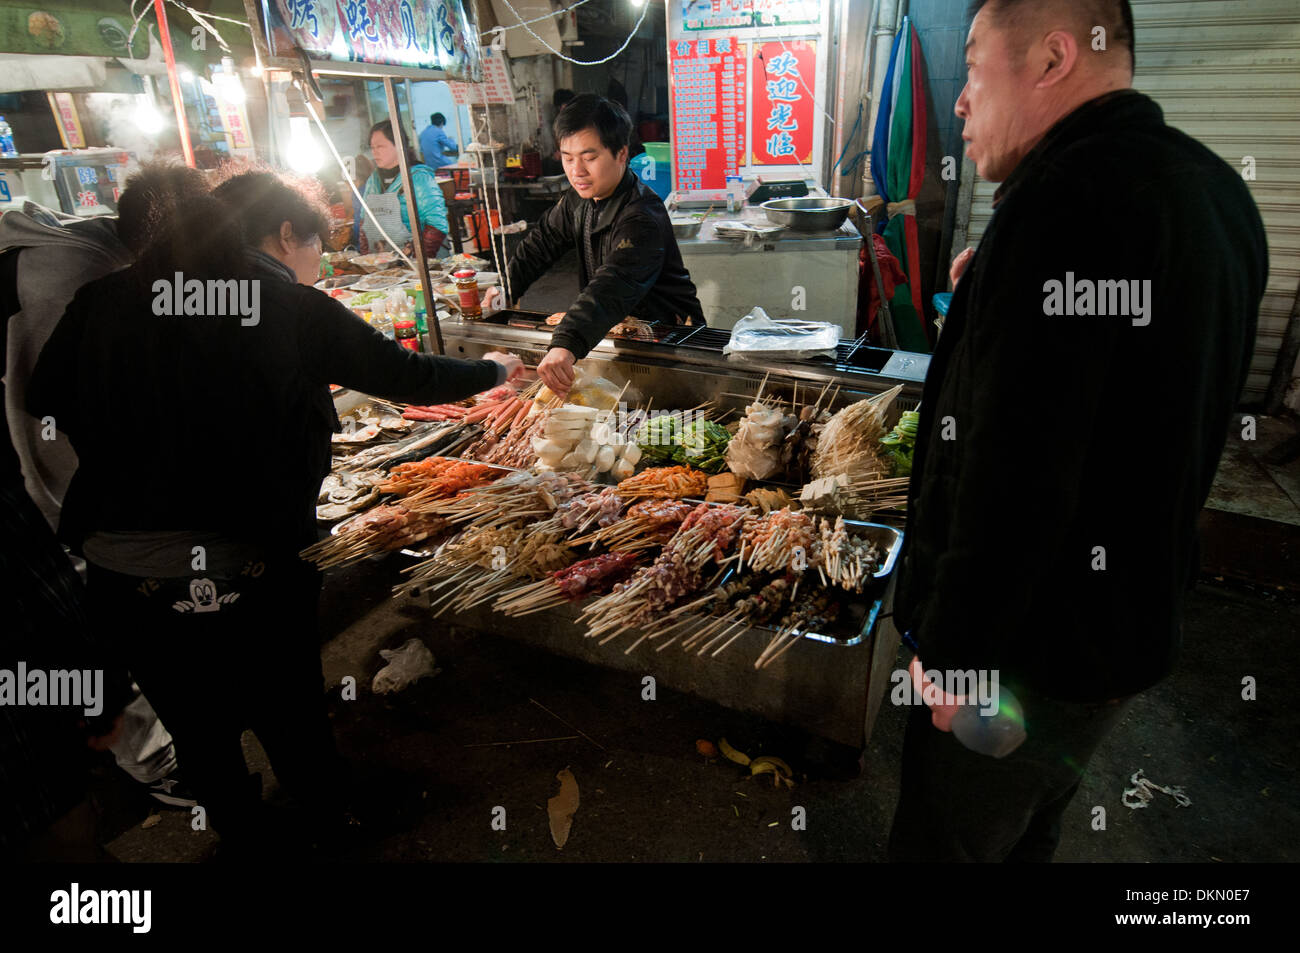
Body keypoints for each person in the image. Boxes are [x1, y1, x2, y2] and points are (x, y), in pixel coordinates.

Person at [27, 170, 522, 855]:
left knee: (197, 726)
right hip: (247, 563)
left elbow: (42, 397)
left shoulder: (100, 301)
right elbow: (409, 376)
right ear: (242, 240)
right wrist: (495, 369)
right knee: (287, 705)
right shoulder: (284, 305)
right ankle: (331, 818)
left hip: (121, 574)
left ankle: (243, 835)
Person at [887, 0, 1267, 862]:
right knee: (1030, 830)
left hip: (1026, 650)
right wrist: (999, 290)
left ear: (1054, 58)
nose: (959, 99)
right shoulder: (1212, 188)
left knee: (951, 841)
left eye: (976, 65)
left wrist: (956, 655)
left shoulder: (1060, 205)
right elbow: (1143, 387)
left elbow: (1018, 469)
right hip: (1123, 635)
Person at [0, 163, 207, 809]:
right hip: (37, 475)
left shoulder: (109, 251)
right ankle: (152, 759)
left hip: (65, 470)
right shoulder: (75, 282)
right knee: (95, 610)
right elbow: (49, 417)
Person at [486, 94, 704, 397]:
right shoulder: (578, 201)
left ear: (621, 154)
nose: (577, 171)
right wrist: (505, 288)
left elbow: (611, 286)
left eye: (589, 158)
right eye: (567, 157)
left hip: (667, 344)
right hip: (618, 335)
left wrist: (566, 342)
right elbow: (539, 245)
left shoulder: (642, 216)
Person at [352, 119, 450, 260]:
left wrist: (418, 263)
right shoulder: (374, 179)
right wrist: (367, 261)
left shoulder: (418, 177)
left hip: (422, 266)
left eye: (380, 146)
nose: (375, 152)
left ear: (398, 145)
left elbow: (437, 224)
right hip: (385, 267)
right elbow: (364, 221)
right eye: (372, 147)